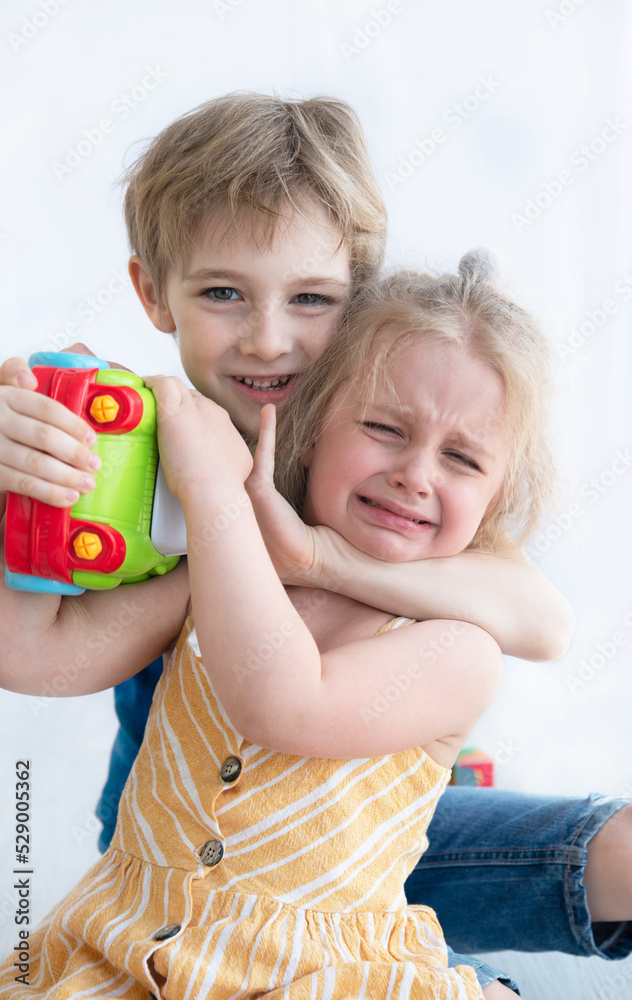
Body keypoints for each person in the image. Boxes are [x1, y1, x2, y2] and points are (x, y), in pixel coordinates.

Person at [0, 92, 629, 996]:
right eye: (222, 293)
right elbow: (36, 649)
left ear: (362, 298)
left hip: (353, 843)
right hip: (177, 850)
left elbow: (541, 619)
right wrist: (26, 482)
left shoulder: (391, 477)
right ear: (154, 293)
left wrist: (318, 557)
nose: (269, 338)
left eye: (311, 299)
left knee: (564, 859)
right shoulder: (150, 448)